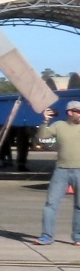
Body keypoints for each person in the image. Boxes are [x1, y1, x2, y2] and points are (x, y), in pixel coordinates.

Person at [37, 101, 80, 244]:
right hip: (61, 170)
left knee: (79, 205)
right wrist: (45, 121)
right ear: (70, 112)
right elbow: (42, 139)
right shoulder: (59, 126)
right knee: (51, 203)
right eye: (78, 111)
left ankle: (78, 237)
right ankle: (47, 236)